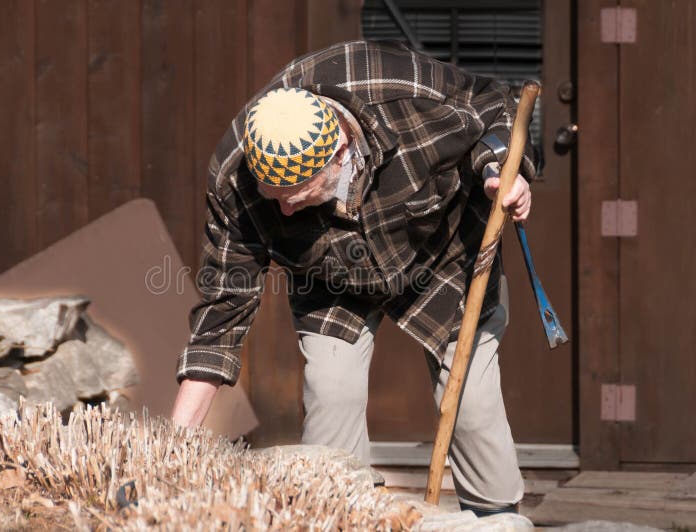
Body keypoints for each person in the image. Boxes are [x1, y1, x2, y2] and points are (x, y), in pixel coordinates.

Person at [170, 40, 536, 517]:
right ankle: (340, 514)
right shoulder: (234, 180)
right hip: (329, 277)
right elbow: (222, 312)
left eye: (297, 196)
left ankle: (497, 520)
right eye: (273, 196)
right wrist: (174, 447)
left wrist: (499, 169)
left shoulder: (406, 93)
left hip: (443, 256)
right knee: (330, 390)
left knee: (472, 404)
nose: (283, 210)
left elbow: (496, 106)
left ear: (341, 149)